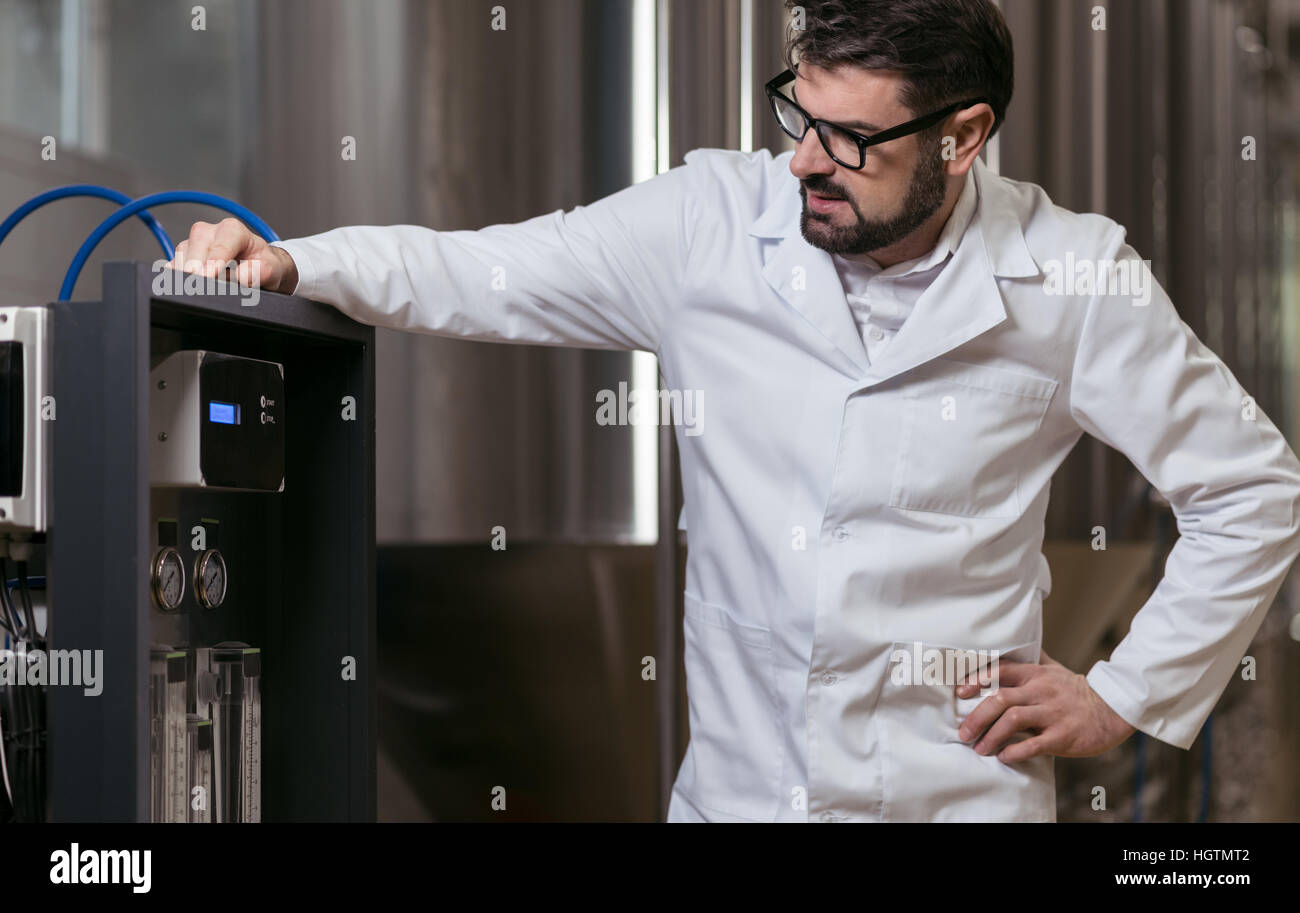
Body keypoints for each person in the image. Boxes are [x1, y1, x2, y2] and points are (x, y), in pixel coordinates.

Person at [171, 0, 1300, 822]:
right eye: (796, 114)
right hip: (742, 801)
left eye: (852, 141)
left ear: (962, 139)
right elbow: (487, 270)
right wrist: (289, 259)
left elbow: (1253, 489)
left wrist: (1122, 699)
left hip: (958, 802)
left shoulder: (1070, 276)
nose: (806, 159)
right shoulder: (712, 223)